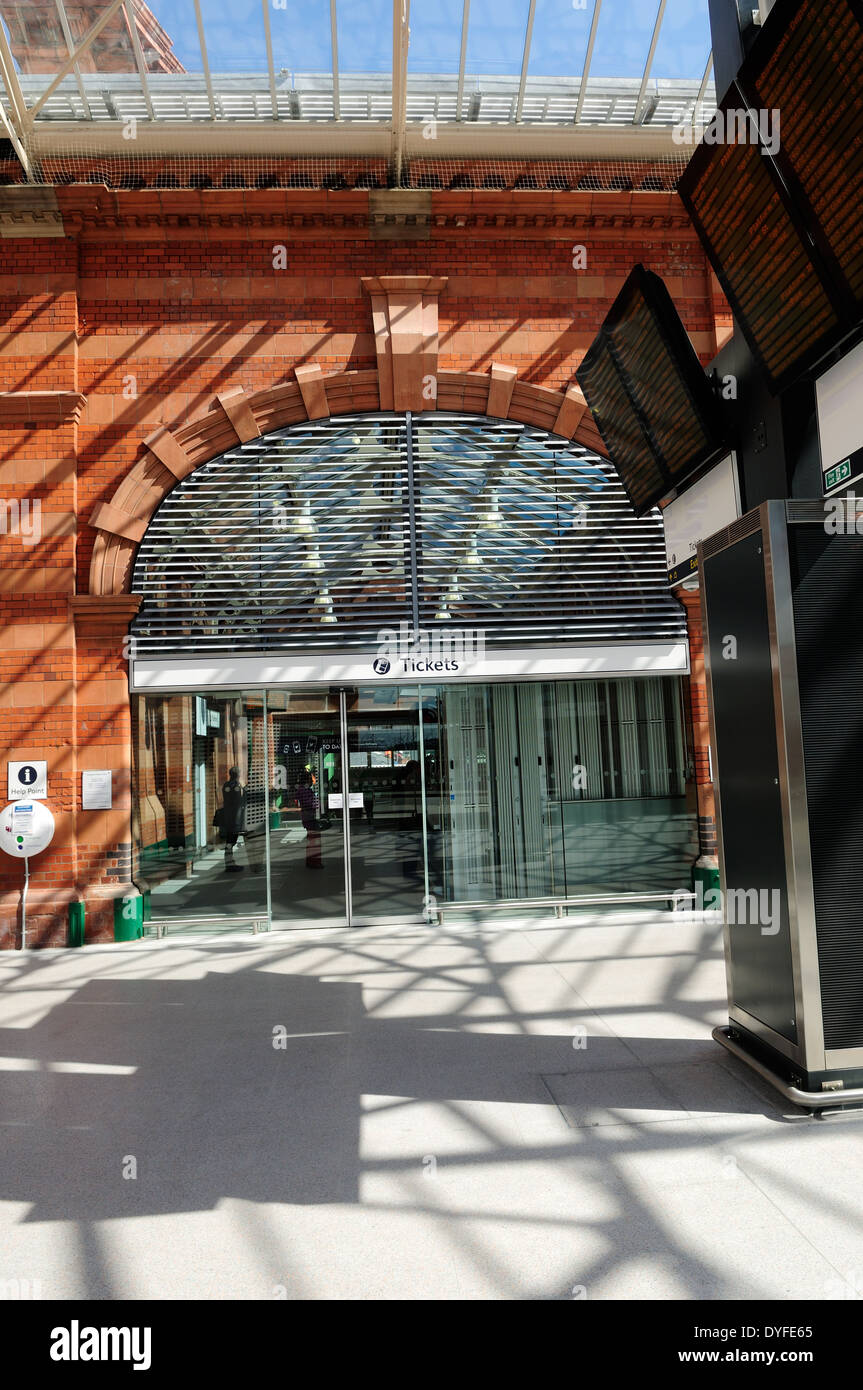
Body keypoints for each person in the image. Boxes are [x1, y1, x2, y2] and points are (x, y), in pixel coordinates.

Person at [220, 766, 246, 873]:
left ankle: (229, 863)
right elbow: (239, 803)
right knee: (231, 841)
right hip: (234, 817)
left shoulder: (226, 785)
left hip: (227, 816)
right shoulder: (236, 786)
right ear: (237, 775)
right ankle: (230, 865)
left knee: (229, 842)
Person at [296, 769, 323, 869]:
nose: (313, 779)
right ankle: (314, 862)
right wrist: (316, 802)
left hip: (307, 817)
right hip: (309, 817)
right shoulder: (305, 790)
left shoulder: (302, 789)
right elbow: (310, 804)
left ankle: (310, 860)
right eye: (311, 777)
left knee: (311, 839)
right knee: (315, 840)